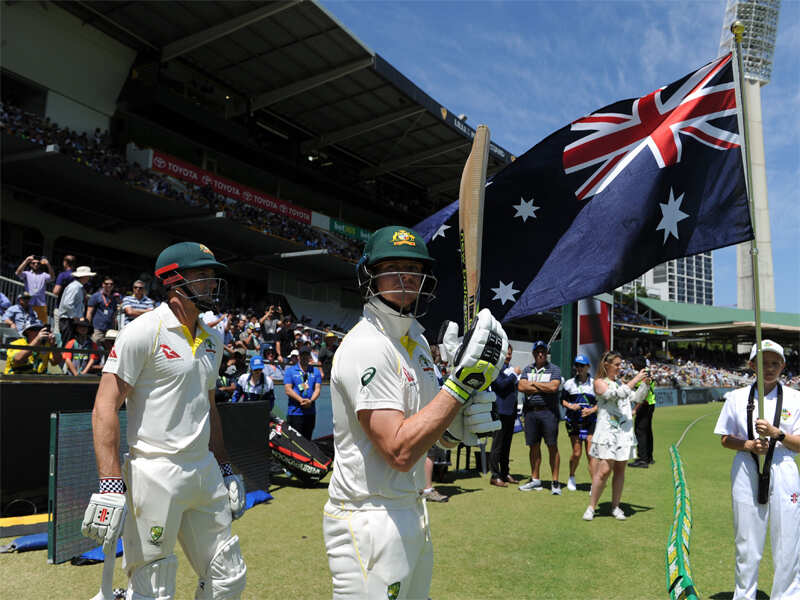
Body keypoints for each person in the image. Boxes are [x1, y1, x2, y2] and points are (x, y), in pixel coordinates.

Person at [323, 225, 507, 599]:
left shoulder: (418, 342)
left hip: (411, 510)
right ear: (369, 275)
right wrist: (458, 387)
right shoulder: (366, 345)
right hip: (368, 516)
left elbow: (426, 427)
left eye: (414, 268)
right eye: (392, 267)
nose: (406, 277)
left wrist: (457, 421)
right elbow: (399, 451)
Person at [81, 241, 247, 599]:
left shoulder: (214, 339)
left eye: (212, 275)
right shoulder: (144, 331)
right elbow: (104, 406)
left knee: (228, 578)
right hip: (155, 472)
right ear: (172, 280)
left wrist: (225, 467)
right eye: (201, 275)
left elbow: (209, 407)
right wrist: (110, 484)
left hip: (203, 471)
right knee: (153, 590)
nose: (211, 283)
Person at [713, 340, 800, 600]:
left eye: (775, 363)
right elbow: (726, 438)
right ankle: (744, 595)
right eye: (763, 363)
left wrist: (778, 434)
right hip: (746, 466)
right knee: (747, 539)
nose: (770, 368)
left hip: (783, 466)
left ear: (783, 365)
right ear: (752, 365)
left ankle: (787, 595)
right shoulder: (737, 397)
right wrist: (749, 444)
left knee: (788, 538)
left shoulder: (796, 398)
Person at [583, 351, 649, 521]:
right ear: (607, 365)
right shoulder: (599, 383)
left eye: (621, 364)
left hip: (623, 432)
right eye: (617, 364)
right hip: (607, 432)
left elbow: (637, 397)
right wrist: (635, 380)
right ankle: (591, 507)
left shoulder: (621, 382)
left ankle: (615, 506)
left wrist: (645, 384)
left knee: (620, 470)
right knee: (604, 470)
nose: (620, 368)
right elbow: (614, 395)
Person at [518, 341, 563, 494]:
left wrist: (534, 384)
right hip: (531, 413)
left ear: (546, 353)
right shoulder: (527, 369)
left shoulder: (554, 369)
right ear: (533, 353)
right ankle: (535, 479)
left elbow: (553, 387)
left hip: (548, 412)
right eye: (538, 351)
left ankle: (555, 482)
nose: (541, 354)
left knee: (552, 446)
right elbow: (521, 387)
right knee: (534, 446)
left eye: (543, 351)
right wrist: (543, 386)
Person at [562, 354, 597, 491]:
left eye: (582, 365)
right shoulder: (569, 383)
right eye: (577, 365)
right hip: (574, 422)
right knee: (577, 453)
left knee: (590, 453)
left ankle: (594, 484)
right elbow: (562, 400)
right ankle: (571, 476)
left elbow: (601, 403)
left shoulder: (595, 384)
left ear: (588, 367)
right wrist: (571, 406)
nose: (579, 368)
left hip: (590, 422)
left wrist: (591, 410)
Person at [489, 345, 521, 487]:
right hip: (500, 411)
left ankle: (505, 473)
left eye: (510, 353)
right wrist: (514, 375)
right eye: (506, 354)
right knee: (497, 444)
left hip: (511, 412)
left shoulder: (510, 368)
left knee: (507, 444)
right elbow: (501, 385)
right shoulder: (495, 369)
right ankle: (495, 475)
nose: (508, 356)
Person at [283, 348, 322, 439]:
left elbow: (317, 389)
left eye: (306, 355)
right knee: (295, 441)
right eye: (302, 355)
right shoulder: (290, 371)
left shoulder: (315, 371)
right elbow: (288, 390)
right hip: (295, 412)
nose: (305, 357)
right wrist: (301, 400)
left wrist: (310, 401)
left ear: (309, 357)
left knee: (308, 439)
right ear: (299, 357)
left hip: (310, 412)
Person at [629, 355, 656, 468]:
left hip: (644, 405)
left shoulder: (643, 376)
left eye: (633, 363)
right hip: (650, 404)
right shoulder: (648, 372)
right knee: (647, 431)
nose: (631, 365)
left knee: (640, 431)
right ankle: (649, 457)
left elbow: (643, 394)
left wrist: (635, 409)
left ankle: (642, 459)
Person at [57, 265, 94, 345]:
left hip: (71, 320)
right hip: (69, 320)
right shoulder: (75, 287)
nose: (89, 278)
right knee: (68, 344)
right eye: (88, 276)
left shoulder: (77, 287)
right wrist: (76, 317)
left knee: (71, 344)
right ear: (84, 276)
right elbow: (67, 304)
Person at [15, 255, 54, 322]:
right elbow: (18, 273)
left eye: (38, 263)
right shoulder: (27, 274)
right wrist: (26, 261)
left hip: (41, 303)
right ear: (30, 264)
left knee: (42, 324)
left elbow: (52, 277)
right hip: (29, 303)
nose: (36, 264)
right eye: (33, 263)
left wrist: (48, 264)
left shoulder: (44, 275)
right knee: (27, 323)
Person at [86, 276, 119, 344]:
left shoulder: (113, 299)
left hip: (109, 329)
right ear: (103, 284)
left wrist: (115, 327)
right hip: (97, 328)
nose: (109, 285)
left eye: (111, 284)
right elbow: (89, 312)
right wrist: (87, 326)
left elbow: (114, 315)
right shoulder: (95, 296)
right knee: (94, 347)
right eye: (107, 284)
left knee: (108, 349)